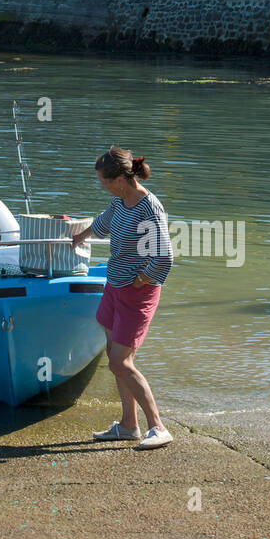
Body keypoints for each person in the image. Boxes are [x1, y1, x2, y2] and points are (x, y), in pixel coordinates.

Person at [70, 147, 173, 449]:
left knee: (121, 362)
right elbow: (101, 224)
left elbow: (164, 256)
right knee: (115, 357)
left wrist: (142, 279)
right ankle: (129, 425)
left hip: (137, 292)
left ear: (120, 178)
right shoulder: (119, 201)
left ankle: (158, 427)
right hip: (114, 285)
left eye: (104, 180)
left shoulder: (149, 208)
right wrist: (80, 236)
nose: (102, 185)